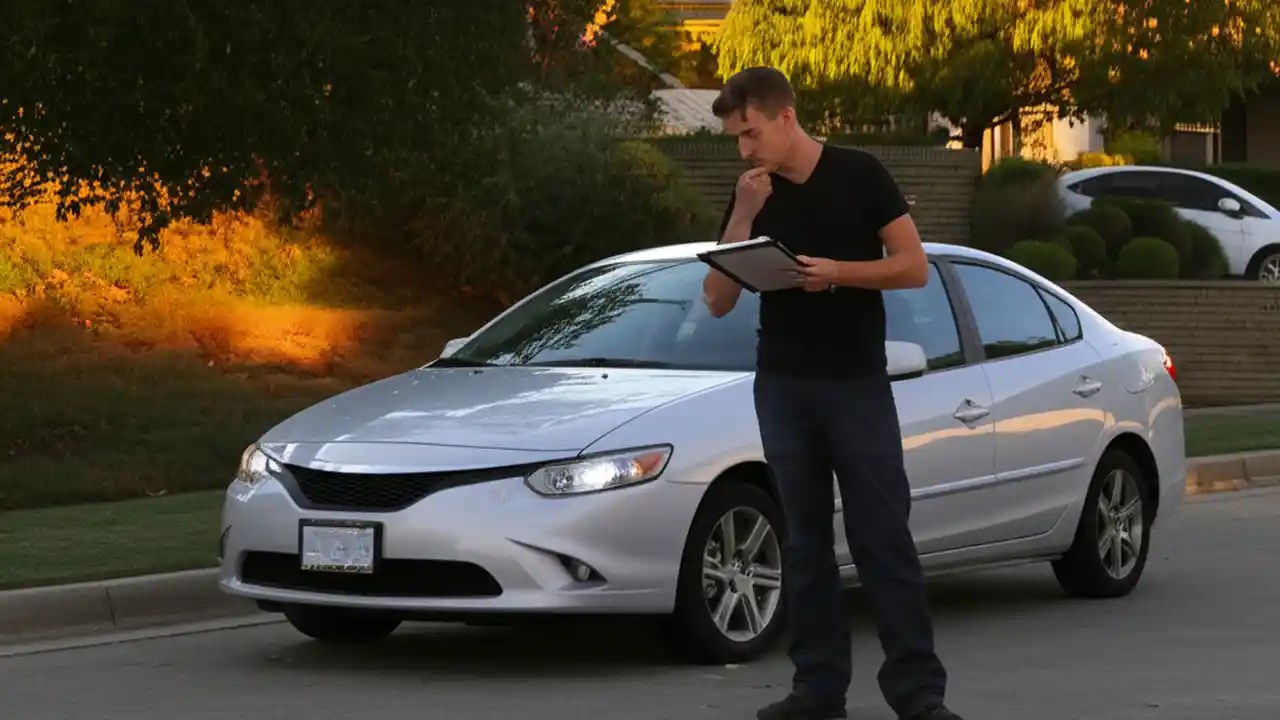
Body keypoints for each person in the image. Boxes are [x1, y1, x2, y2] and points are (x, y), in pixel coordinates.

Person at [701, 67, 963, 720]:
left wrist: (838, 274)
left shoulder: (859, 173)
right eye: (735, 137)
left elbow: (913, 266)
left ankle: (920, 700)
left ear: (785, 117)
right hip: (783, 386)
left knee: (883, 540)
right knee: (805, 545)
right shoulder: (752, 194)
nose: (744, 149)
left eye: (750, 133)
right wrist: (741, 212)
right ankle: (817, 693)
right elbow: (716, 298)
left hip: (856, 385)